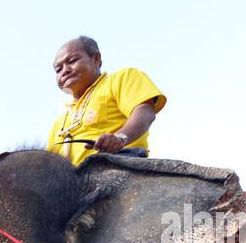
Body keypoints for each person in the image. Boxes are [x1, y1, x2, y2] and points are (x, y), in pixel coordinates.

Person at [47, 36, 165, 166]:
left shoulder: (120, 78)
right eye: (58, 69)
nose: (65, 70)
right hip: (75, 178)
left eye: (72, 60)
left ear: (96, 59)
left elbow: (144, 112)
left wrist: (120, 138)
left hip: (119, 162)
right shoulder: (59, 123)